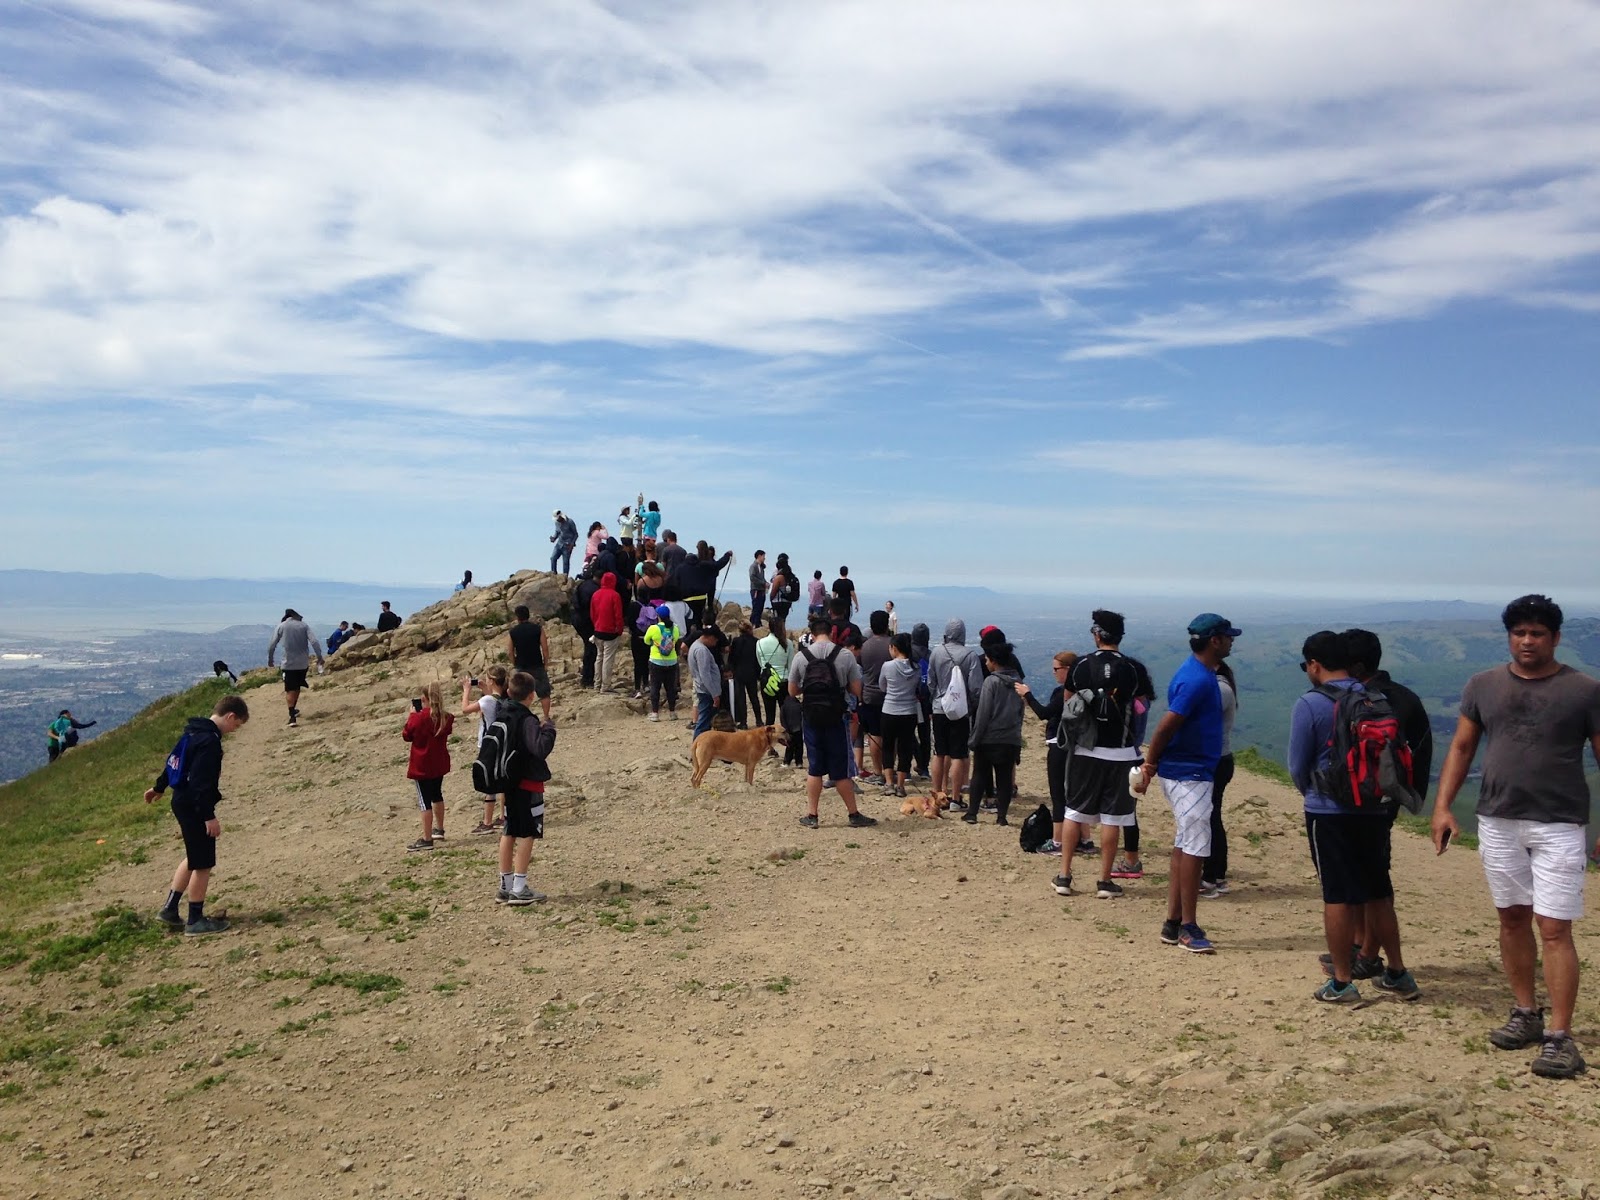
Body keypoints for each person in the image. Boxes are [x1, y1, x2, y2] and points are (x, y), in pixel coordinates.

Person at [1432, 594, 1599, 1079]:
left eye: (1538, 633)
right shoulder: (1482, 685)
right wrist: (1442, 807)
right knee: (1511, 918)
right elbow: (1462, 747)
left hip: (1560, 823)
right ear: (1509, 636)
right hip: (1499, 819)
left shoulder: (1585, 691)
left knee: (1554, 928)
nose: (1528, 641)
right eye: (1520, 632)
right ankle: (1526, 1013)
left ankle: (1561, 1038)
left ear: (1556, 637)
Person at [1290, 630, 1417, 1002]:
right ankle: (1397, 972)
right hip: (1374, 808)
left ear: (1315, 664)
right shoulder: (1375, 697)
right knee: (1378, 890)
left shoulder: (1311, 703)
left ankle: (1343, 982)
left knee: (1337, 895)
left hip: (1329, 811)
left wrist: (1314, 794)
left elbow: (1297, 764)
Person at [1138, 614, 1233, 954]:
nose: (1232, 641)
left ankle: (1173, 921)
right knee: (1194, 846)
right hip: (1190, 773)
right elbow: (1166, 724)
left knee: (1184, 844)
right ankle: (1188, 928)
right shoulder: (1199, 680)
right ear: (1215, 641)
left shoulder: (1194, 672)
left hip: (1185, 771)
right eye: (1227, 636)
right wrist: (1150, 762)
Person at [1337, 628, 1434, 953]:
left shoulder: (1364, 701)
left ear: (1358, 667)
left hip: (1366, 798)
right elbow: (1421, 751)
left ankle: (1367, 951)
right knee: (1370, 870)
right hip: (1389, 796)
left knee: (1370, 876)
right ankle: (1361, 944)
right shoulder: (1406, 697)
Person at [1058, 610, 1154, 897]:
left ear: (1097, 634)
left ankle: (1064, 876)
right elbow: (1142, 706)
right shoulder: (1135, 668)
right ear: (1120, 637)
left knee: (1075, 812)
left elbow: (1068, 701)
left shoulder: (1080, 665)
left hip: (1086, 750)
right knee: (1113, 818)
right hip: (1122, 752)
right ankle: (1104, 881)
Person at [144, 694, 250, 935]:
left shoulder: (193, 731)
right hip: (194, 804)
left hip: (180, 799)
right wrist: (208, 816)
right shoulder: (210, 741)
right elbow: (201, 783)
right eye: (237, 724)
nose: (235, 730)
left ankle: (170, 909)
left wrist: (160, 787)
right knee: (203, 863)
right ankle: (195, 919)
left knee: (194, 855)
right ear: (230, 716)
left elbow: (174, 760)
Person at [789, 616, 877, 829]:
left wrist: (809, 689)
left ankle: (812, 815)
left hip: (811, 718)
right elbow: (857, 690)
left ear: (812, 633)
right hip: (837, 718)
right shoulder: (845, 656)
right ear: (831, 632)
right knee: (840, 770)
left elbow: (792, 691)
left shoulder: (801, 657)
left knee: (815, 768)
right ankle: (853, 814)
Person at [496, 671, 559, 906]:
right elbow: (539, 748)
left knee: (509, 831)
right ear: (531, 696)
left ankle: (505, 884)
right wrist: (549, 729)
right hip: (529, 783)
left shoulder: (503, 714)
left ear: (509, 692)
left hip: (507, 781)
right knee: (528, 833)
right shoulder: (528, 720)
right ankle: (520, 888)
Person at [1018, 650, 1080, 858]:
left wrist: (1027, 694)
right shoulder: (1084, 692)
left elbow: (1044, 713)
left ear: (1068, 670)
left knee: (1058, 794)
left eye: (1056, 669)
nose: (1054, 673)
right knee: (1074, 794)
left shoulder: (1064, 693)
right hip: (1077, 747)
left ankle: (1057, 841)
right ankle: (1084, 839)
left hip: (1058, 744)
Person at [966, 641, 1025, 825]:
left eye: (987, 660)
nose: (985, 663)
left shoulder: (991, 682)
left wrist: (974, 739)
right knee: (1005, 778)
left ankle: (972, 813)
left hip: (989, 738)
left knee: (979, 775)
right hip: (1010, 739)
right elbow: (1020, 714)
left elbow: (983, 713)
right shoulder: (1018, 683)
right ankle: (1002, 817)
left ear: (994, 661)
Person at [928, 619, 983, 813]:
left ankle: (936, 794)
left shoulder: (936, 652)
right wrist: (970, 705)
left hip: (939, 707)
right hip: (961, 710)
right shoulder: (971, 655)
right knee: (958, 753)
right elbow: (976, 688)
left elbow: (931, 681)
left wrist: (937, 698)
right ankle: (956, 798)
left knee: (939, 752)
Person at [1199, 657, 1238, 898]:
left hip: (1215, 759)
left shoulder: (1219, 689)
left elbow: (1201, 722)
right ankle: (1217, 874)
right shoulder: (1223, 686)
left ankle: (1211, 876)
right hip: (1219, 758)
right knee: (1213, 815)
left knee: (1210, 817)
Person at [403, 682, 454, 852]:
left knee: (424, 801)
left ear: (423, 699)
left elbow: (407, 735)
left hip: (422, 765)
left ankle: (426, 839)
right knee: (436, 794)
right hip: (438, 763)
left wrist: (412, 715)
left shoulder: (418, 718)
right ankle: (439, 829)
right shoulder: (445, 717)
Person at [463, 667, 509, 834]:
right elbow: (494, 696)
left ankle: (487, 821)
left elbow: (465, 708)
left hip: (488, 743)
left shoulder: (487, 701)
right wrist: (485, 689)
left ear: (492, 681)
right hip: (502, 741)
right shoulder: (506, 697)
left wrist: (466, 690)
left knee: (489, 782)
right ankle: (504, 817)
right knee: (502, 780)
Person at [878, 633, 921, 798]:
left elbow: (882, 686)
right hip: (909, 712)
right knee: (905, 749)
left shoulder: (888, 666)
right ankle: (901, 786)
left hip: (889, 710)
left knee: (888, 747)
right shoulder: (916, 668)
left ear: (894, 649)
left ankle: (889, 783)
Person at [267, 608, 324, 727]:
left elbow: (272, 644)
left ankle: (292, 716)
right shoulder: (303, 626)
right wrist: (319, 657)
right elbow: (314, 642)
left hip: (288, 663)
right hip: (303, 663)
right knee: (297, 686)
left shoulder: (281, 626)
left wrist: (270, 659)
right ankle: (293, 709)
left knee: (289, 688)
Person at [858, 610, 894, 786]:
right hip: (890, 695)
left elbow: (862, 670)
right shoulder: (892, 646)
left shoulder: (865, 646)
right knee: (890, 736)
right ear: (887, 625)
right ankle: (890, 770)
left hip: (870, 695)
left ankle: (878, 772)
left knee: (874, 734)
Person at [506, 605, 553, 720]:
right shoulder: (538, 629)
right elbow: (545, 648)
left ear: (517, 617)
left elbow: (510, 651)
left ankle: (522, 717)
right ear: (528, 615)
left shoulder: (513, 632)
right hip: (537, 664)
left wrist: (514, 663)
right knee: (544, 693)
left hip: (522, 665)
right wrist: (545, 663)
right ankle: (546, 717)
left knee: (521, 694)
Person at [644, 605, 683, 722]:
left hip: (656, 661)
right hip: (671, 661)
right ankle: (672, 712)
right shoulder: (675, 629)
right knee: (670, 687)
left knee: (655, 687)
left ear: (658, 616)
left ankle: (655, 713)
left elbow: (646, 640)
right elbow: (676, 641)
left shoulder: (653, 628)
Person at [590, 570, 625, 693]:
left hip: (598, 630)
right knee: (607, 659)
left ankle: (596, 684)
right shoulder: (615, 595)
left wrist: (596, 625)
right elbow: (618, 615)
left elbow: (593, 614)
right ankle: (605, 686)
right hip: (610, 632)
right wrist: (619, 629)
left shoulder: (596, 594)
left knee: (599, 657)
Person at [755, 619, 794, 728]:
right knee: (785, 713)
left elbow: (760, 663)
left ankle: (768, 742)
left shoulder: (760, 642)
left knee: (769, 714)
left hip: (767, 681)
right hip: (783, 681)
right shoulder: (788, 643)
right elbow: (790, 665)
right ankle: (788, 741)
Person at [688, 625, 724, 740]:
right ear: (710, 637)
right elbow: (705, 675)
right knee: (703, 722)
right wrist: (714, 694)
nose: (716, 642)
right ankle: (697, 749)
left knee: (706, 722)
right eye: (715, 639)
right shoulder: (701, 650)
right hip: (706, 691)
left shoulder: (695, 646)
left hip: (703, 689)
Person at [728, 621, 763, 730]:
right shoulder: (756, 642)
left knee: (741, 699)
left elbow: (731, 658)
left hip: (739, 673)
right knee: (754, 697)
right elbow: (758, 658)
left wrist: (731, 670)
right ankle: (759, 720)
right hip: (752, 672)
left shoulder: (736, 641)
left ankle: (743, 722)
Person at [571, 567, 601, 690]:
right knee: (591, 650)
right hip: (588, 621)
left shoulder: (583, 585)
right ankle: (588, 678)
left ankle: (586, 677)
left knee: (588, 647)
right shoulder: (596, 590)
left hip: (577, 619)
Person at [768, 553, 798, 631]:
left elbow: (773, 591)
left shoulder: (779, 577)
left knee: (777, 621)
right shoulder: (790, 575)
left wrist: (771, 598)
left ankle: (778, 635)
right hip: (787, 602)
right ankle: (783, 634)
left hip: (778, 602)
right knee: (783, 620)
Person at [550, 510, 579, 576]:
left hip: (567, 545)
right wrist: (554, 538)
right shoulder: (557, 522)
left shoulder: (570, 522)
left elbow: (576, 534)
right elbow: (557, 532)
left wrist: (572, 544)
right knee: (553, 558)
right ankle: (553, 574)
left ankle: (565, 576)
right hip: (559, 543)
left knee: (565, 562)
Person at [749, 550, 769, 627]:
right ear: (759, 556)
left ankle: (758, 622)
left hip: (762, 590)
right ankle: (753, 622)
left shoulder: (761, 567)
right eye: (763, 556)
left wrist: (766, 583)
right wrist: (763, 583)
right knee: (756, 606)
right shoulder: (753, 566)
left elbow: (762, 578)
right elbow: (752, 577)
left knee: (760, 606)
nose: (764, 558)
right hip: (756, 589)